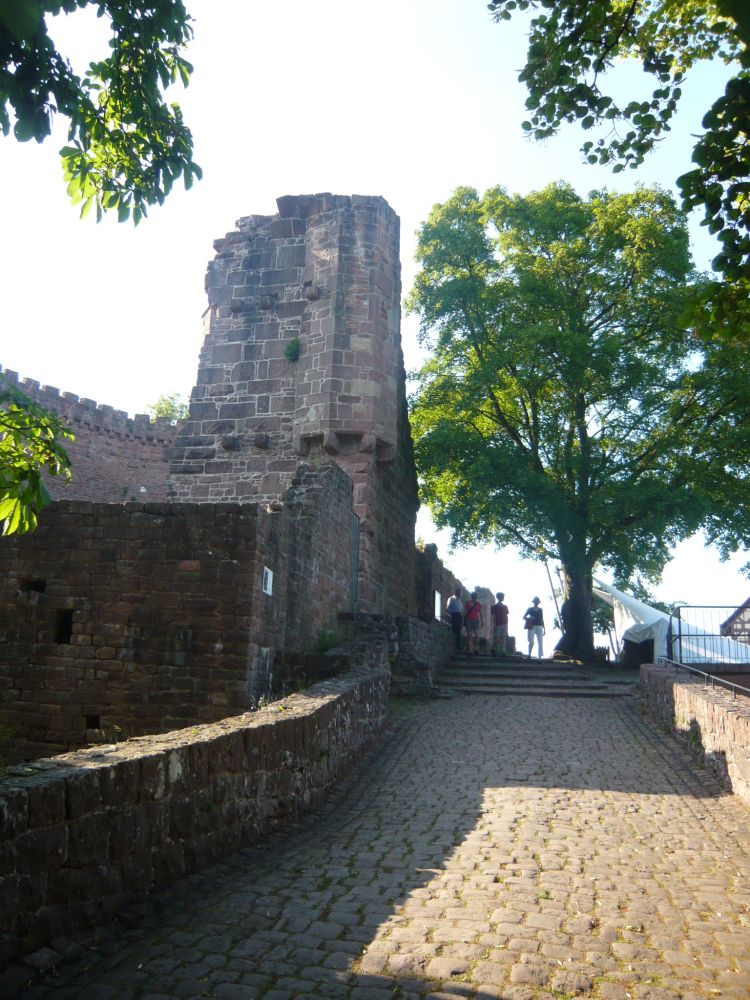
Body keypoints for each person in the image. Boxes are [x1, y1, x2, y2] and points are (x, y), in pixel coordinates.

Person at [463, 592, 483, 656]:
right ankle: (471, 650)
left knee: (476, 634)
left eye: (475, 596)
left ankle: (476, 648)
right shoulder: (468, 603)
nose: (474, 597)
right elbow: (464, 612)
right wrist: (462, 621)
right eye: (473, 596)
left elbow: (480, 613)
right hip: (468, 620)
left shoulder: (478, 604)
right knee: (470, 635)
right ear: (472, 597)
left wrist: (482, 621)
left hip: (476, 620)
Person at [490, 591, 509, 656]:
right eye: (502, 596)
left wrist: (507, 625)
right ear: (498, 597)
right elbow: (493, 616)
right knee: (496, 638)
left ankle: (503, 651)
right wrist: (494, 624)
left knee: (503, 638)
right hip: (498, 623)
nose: (503, 598)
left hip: (504, 623)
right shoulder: (494, 606)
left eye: (503, 596)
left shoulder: (505, 606)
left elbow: (506, 616)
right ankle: (494, 649)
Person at [446, 586, 464, 653]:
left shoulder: (460, 601)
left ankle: (458, 648)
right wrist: (449, 615)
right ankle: (452, 647)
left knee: (458, 632)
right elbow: (447, 608)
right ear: (456, 592)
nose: (460, 594)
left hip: (459, 616)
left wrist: (462, 620)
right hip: (453, 615)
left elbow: (461, 610)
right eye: (459, 592)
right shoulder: (451, 599)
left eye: (460, 593)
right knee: (453, 631)